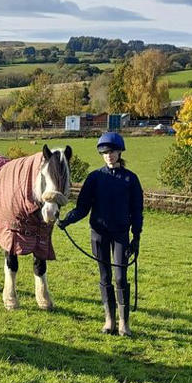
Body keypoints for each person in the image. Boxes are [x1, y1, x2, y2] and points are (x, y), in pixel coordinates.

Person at [57, 132, 143, 336]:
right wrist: (66, 220)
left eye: (112, 152)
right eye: (104, 152)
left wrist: (136, 237)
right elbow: (82, 208)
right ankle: (109, 320)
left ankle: (124, 323)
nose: (108, 155)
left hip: (121, 234)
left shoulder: (130, 179)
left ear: (119, 152)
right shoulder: (94, 178)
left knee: (121, 278)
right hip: (99, 234)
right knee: (105, 276)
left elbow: (137, 210)